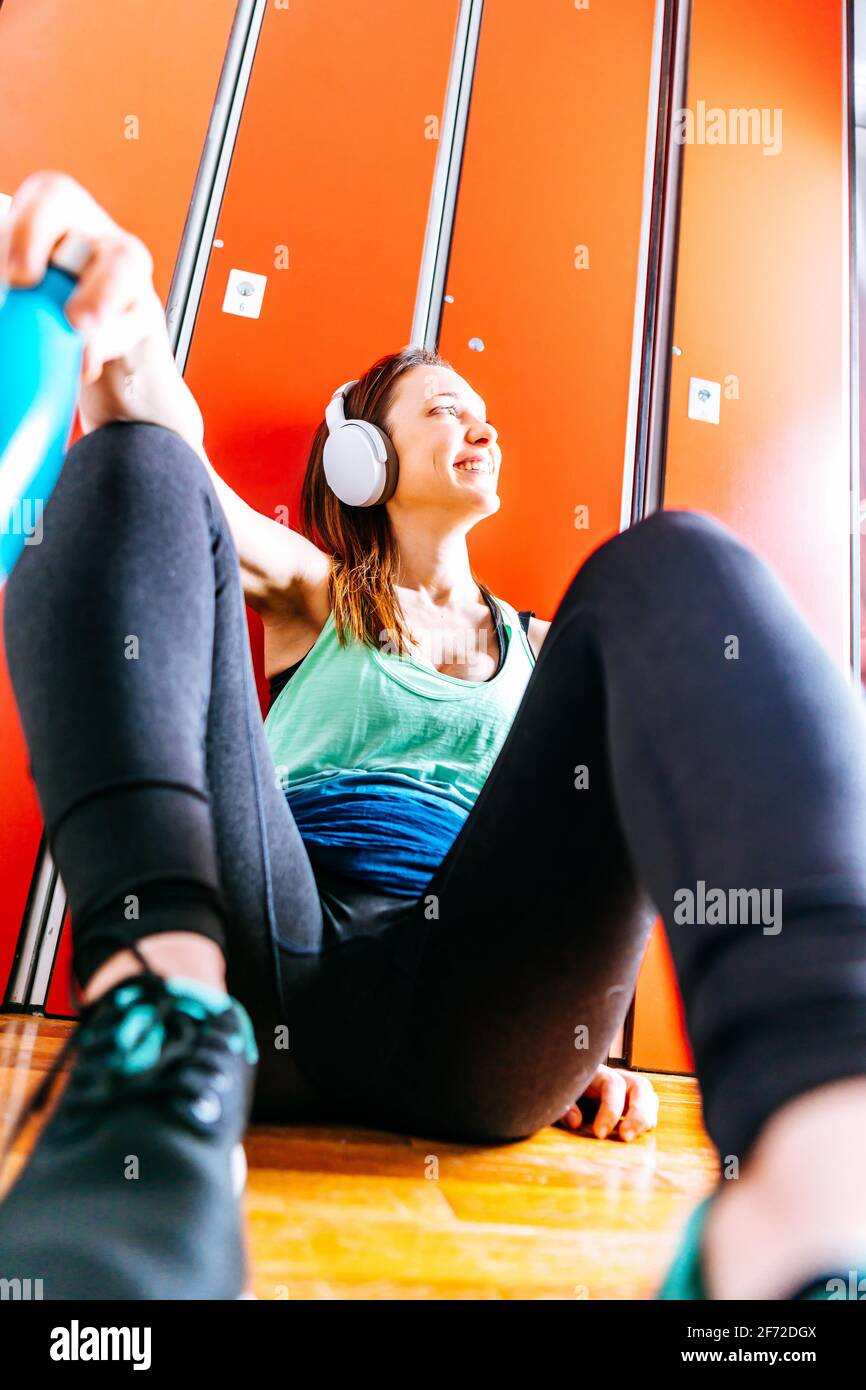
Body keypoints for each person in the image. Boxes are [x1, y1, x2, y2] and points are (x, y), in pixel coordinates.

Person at [0, 171, 865, 1301]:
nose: (475, 418)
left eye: (475, 405)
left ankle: (820, 1180)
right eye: (439, 404)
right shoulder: (321, 591)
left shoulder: (562, 650)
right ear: (365, 458)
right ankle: (153, 1046)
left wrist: (572, 1034)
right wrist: (127, 350)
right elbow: (178, 487)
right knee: (133, 461)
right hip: (264, 959)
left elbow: (570, 863)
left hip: (479, 1024)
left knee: (673, 565)